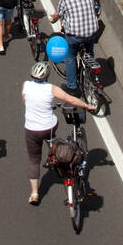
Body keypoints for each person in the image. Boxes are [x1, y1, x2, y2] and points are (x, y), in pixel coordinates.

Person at [22, 62, 94, 205]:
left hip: (31, 129)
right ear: (47, 75)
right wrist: (87, 106)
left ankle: (34, 193)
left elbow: (26, 101)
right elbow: (70, 99)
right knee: (56, 147)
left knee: (34, 160)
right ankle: (57, 158)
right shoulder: (51, 88)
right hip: (48, 128)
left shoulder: (26, 85)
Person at [50, 0, 100, 94]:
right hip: (92, 32)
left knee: (70, 56)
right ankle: (90, 72)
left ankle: (72, 87)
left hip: (75, 35)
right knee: (89, 51)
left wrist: (53, 19)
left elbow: (58, 14)